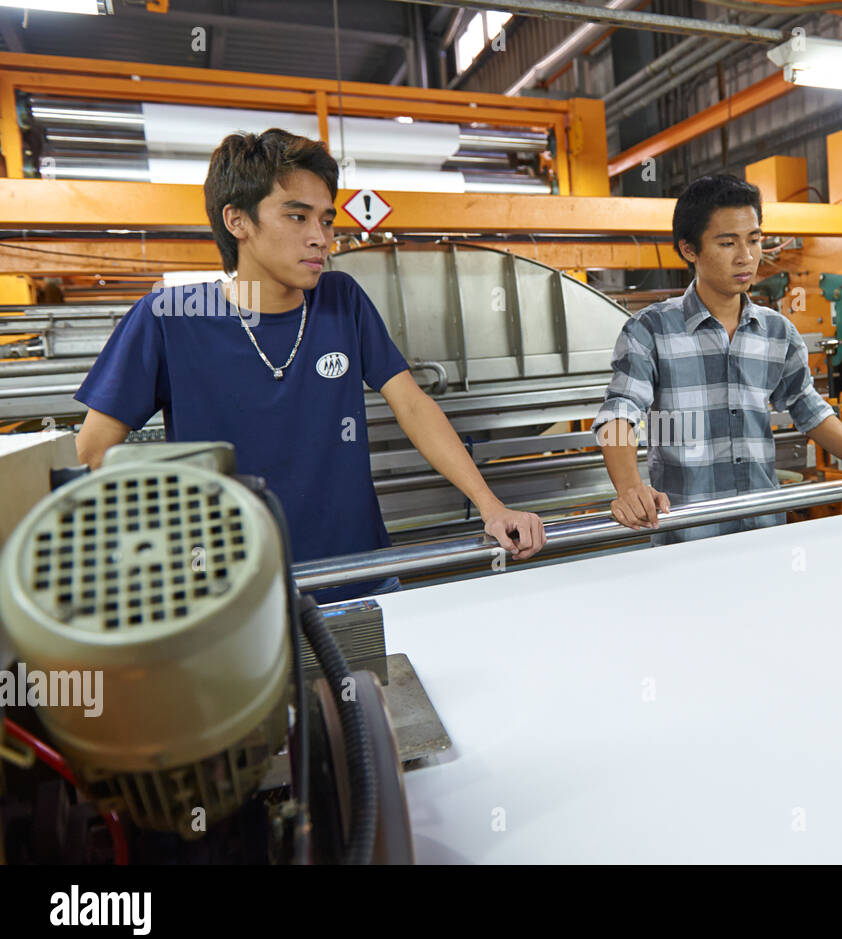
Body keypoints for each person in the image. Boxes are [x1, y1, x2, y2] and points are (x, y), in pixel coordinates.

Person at [74, 128, 545, 603]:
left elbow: (413, 405)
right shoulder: (168, 318)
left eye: (325, 220)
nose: (320, 239)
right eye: (297, 217)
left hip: (361, 572)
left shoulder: (342, 302)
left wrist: (491, 506)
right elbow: (94, 452)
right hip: (230, 597)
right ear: (237, 220)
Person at [593, 173, 842, 542]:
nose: (747, 257)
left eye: (754, 240)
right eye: (727, 243)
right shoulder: (650, 330)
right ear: (689, 249)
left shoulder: (776, 331)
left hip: (763, 531)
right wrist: (630, 487)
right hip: (687, 535)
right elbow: (619, 413)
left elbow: (808, 407)